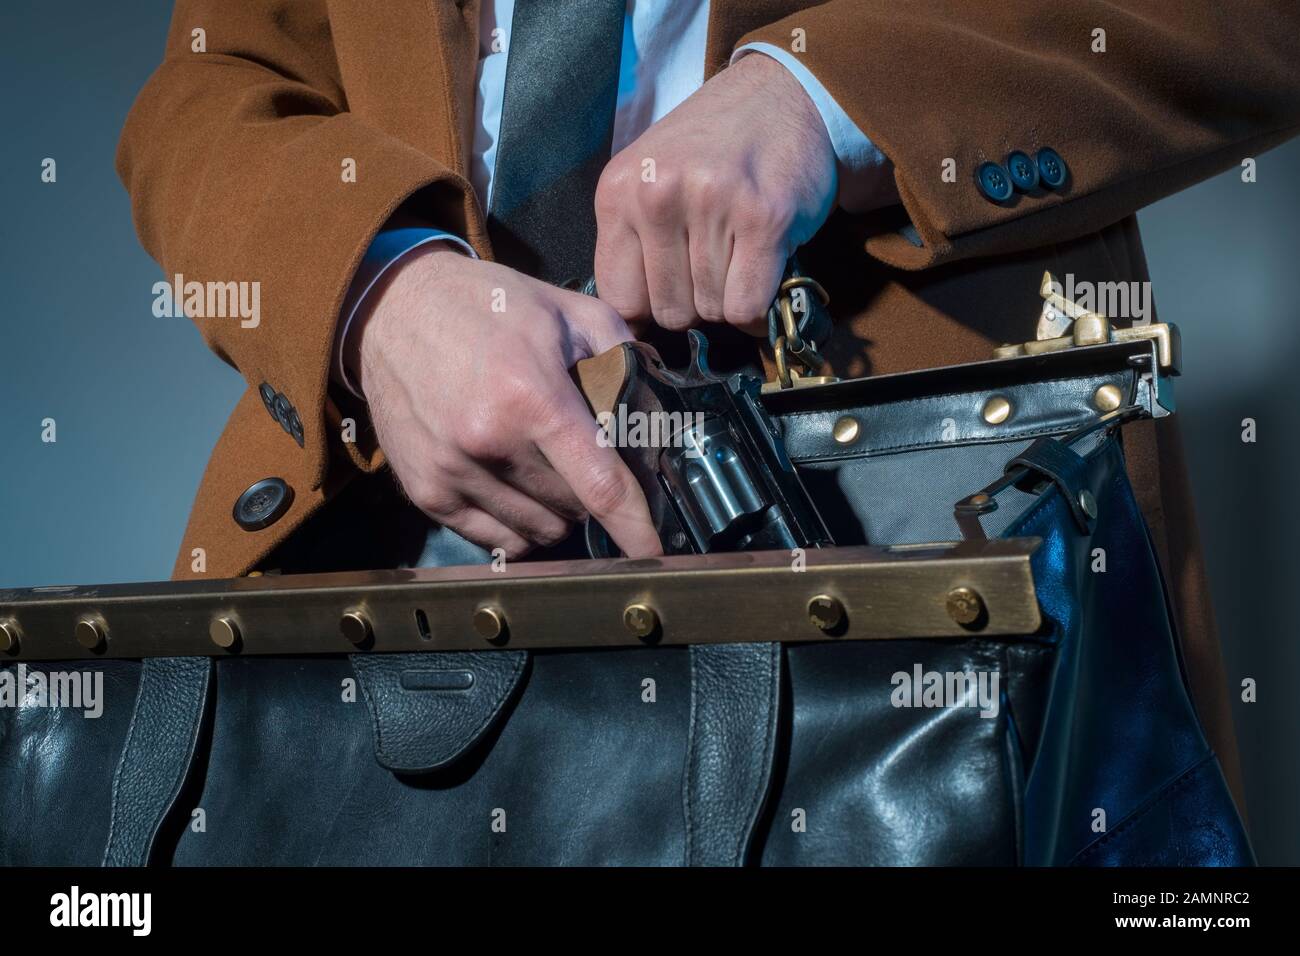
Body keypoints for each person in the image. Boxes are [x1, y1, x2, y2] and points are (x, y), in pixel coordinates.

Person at [117, 0, 1300, 816]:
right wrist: (377, 287)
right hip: (392, 538)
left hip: (897, 536)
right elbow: (209, 84)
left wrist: (825, 97)